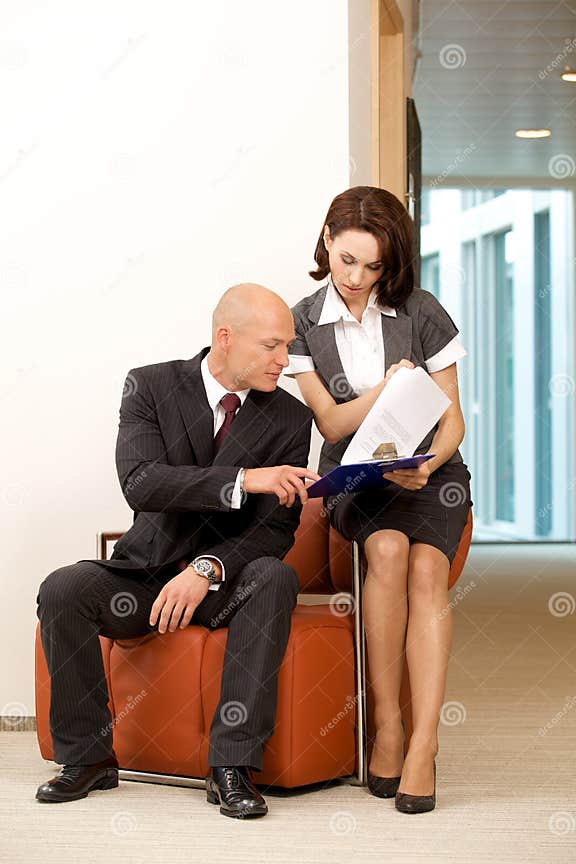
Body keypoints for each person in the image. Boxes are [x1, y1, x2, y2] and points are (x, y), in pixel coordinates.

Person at [35, 283, 319, 819]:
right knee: (63, 588)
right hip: (143, 576)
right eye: (272, 346)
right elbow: (142, 483)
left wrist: (207, 568)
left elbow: (274, 532)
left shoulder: (289, 418)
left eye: (288, 346)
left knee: (275, 576)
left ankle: (231, 766)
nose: (285, 360)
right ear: (225, 338)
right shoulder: (150, 386)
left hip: (223, 585)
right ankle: (89, 759)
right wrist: (243, 479)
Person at [285, 186, 473, 814]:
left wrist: (430, 466)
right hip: (357, 484)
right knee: (388, 552)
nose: (359, 278)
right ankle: (385, 723)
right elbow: (333, 425)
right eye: (347, 261)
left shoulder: (421, 311)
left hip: (430, 476)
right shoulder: (300, 323)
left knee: (426, 566)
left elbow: (453, 420)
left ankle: (423, 743)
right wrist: (392, 386)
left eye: (374, 267)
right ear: (326, 241)